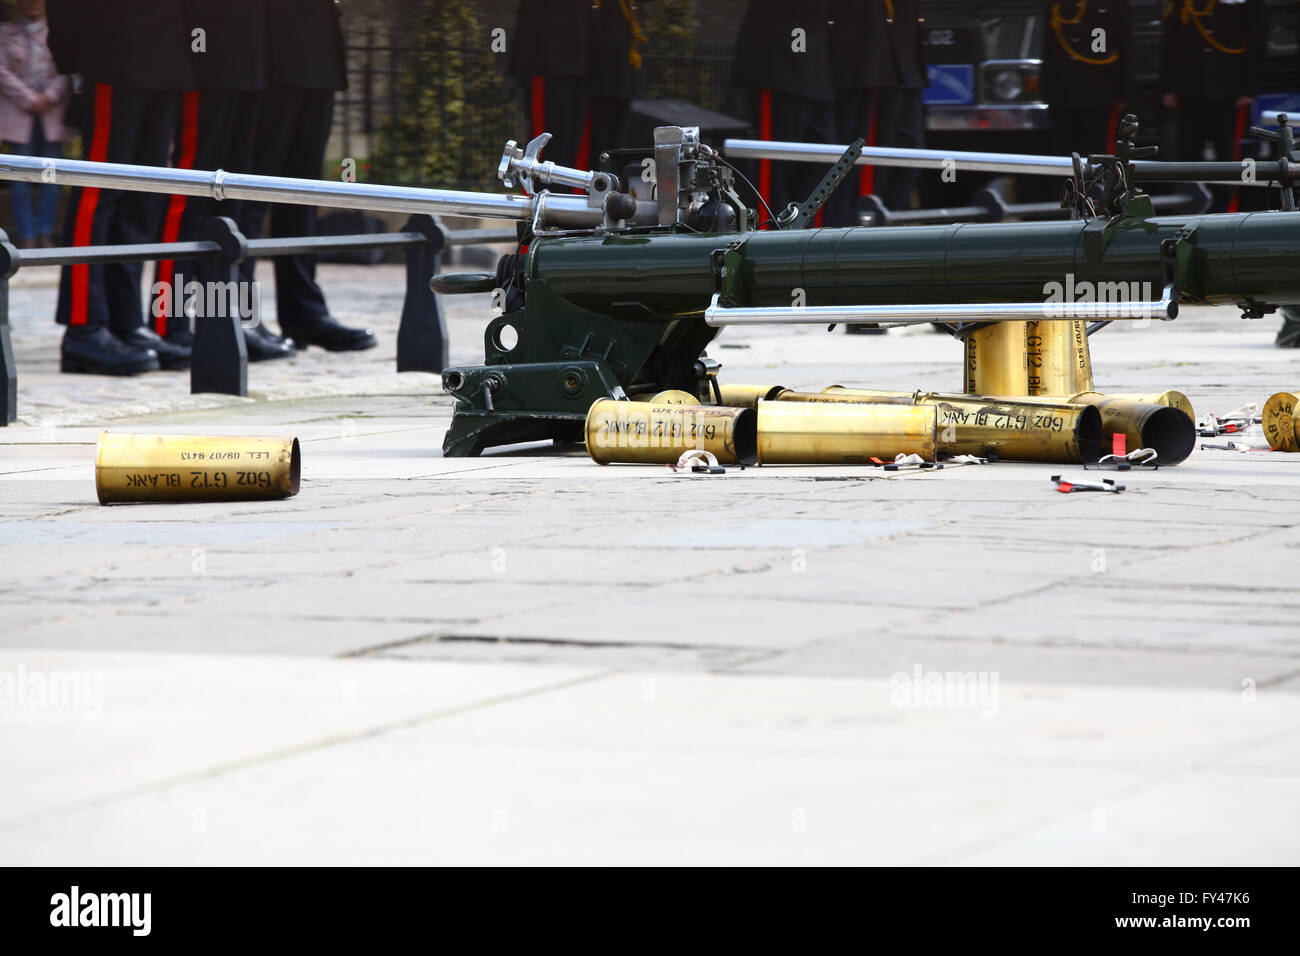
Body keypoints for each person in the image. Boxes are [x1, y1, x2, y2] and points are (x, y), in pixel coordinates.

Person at [46, 0, 192, 375]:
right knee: (97, 195)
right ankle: (84, 325)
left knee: (142, 199)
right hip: (116, 49)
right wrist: (74, 59)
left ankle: (126, 320)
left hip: (167, 60)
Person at [151, 0, 292, 362]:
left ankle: (223, 316)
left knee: (236, 203)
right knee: (190, 196)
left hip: (252, 61)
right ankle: (169, 320)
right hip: (207, 59)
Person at [235, 0, 375, 352]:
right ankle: (236, 313)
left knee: (303, 196)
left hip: (315, 51)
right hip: (266, 47)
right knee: (251, 191)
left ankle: (304, 313)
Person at [732, 0, 836, 222]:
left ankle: (806, 239)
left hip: (815, 63)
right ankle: (768, 236)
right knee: (775, 167)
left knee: (822, 162)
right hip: (779, 62)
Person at [1162, 0, 1268, 212]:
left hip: (1230, 87)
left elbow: (1257, 37)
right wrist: (1168, 85)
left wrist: (1249, 87)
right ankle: (1191, 209)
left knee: (1230, 154)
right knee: (1188, 153)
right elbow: (1171, 41)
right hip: (1189, 87)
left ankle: (1229, 210)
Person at [0, 0, 69, 249]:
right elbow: (2, 70)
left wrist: (49, 96)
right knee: (19, 176)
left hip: (52, 112)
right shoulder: (5, 33)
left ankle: (46, 232)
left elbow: (67, 69)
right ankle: (27, 235)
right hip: (21, 111)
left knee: (52, 175)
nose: (32, 4)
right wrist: (29, 98)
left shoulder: (59, 30)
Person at [508, 0, 598, 170]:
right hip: (548, 59)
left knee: (573, 146)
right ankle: (537, 192)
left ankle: (566, 193)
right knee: (546, 142)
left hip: (583, 58)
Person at [1042, 1, 1134, 159]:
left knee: (1097, 151)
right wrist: (1046, 89)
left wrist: (1123, 90)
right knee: (1063, 152)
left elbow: (1123, 43)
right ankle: (1065, 183)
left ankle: (1096, 184)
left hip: (1099, 90)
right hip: (1063, 91)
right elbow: (1048, 47)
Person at [587, 0, 649, 169]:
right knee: (601, 141)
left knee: (618, 140)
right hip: (604, 79)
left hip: (622, 78)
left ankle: (614, 178)